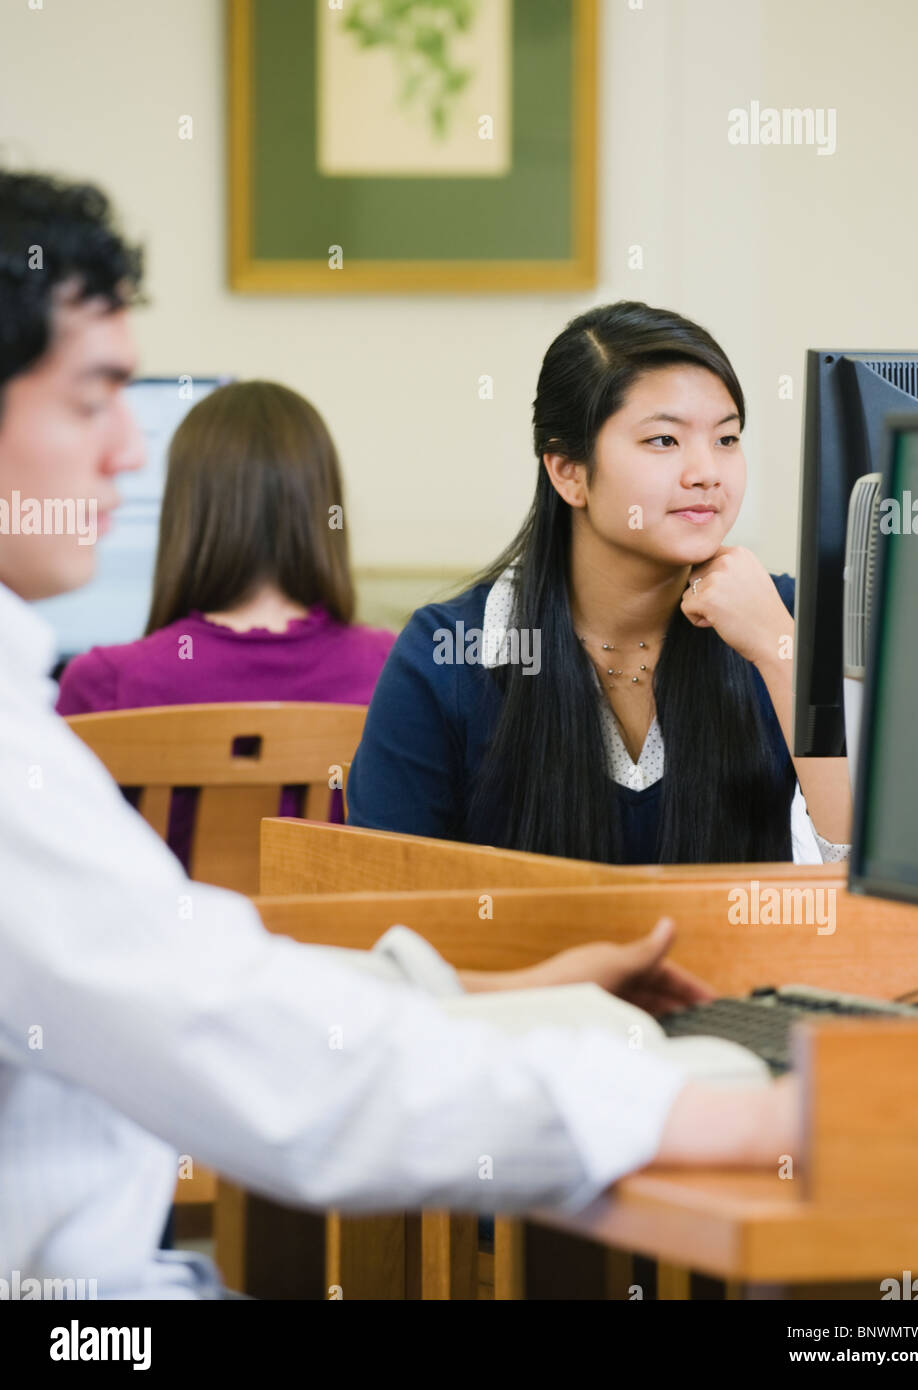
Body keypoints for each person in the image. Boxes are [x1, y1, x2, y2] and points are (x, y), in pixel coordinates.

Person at [0, 170, 797, 1300]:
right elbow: (256, 1044)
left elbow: (222, 995)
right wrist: (707, 1106)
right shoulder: (428, 655)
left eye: (723, 437)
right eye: (90, 401)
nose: (128, 449)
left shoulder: (76, 692)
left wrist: (488, 994)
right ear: (566, 470)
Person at [347, 301, 852, 866]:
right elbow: (382, 906)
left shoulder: (783, 617)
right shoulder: (449, 655)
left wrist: (781, 657)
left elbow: (869, 881)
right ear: (569, 471)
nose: (707, 471)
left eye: (726, 439)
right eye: (664, 440)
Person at [56, 379, 395, 865]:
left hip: (164, 942)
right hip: (333, 945)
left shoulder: (102, 685)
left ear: (183, 514)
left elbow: (66, 874)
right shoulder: (391, 672)